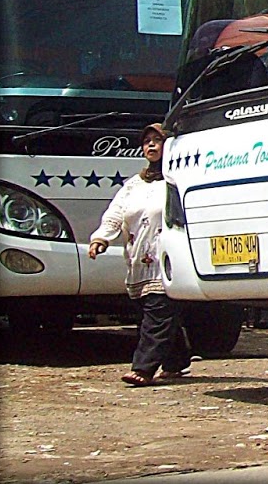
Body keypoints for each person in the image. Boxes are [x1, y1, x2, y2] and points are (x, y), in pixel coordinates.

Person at [87, 122, 191, 385]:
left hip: (166, 261)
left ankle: (143, 369)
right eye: (147, 141)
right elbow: (116, 213)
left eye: (158, 140)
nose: (151, 145)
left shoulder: (177, 179)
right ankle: (176, 361)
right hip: (138, 262)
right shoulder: (134, 184)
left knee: (157, 314)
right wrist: (101, 238)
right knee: (153, 314)